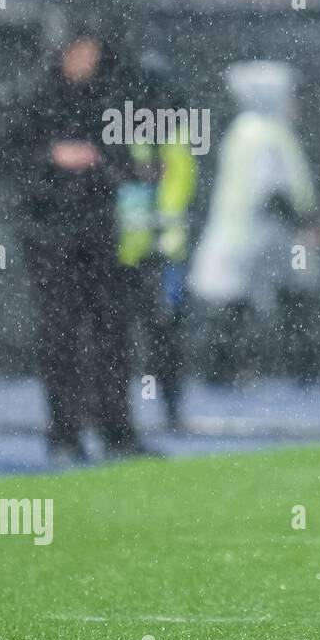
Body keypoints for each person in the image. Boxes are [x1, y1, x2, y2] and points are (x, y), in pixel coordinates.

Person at [0, 19, 152, 464]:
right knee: (60, 334)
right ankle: (64, 436)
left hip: (101, 229)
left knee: (113, 332)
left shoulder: (108, 97)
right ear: (60, 50)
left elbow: (123, 156)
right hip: (48, 235)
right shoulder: (28, 95)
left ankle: (117, 433)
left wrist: (127, 171)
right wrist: (52, 157)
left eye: (93, 50)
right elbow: (4, 158)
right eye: (79, 49)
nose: (87, 59)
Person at [189, 61, 320, 385]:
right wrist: (303, 222)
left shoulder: (250, 130)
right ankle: (233, 373)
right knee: (249, 304)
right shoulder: (261, 133)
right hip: (256, 235)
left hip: (250, 234)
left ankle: (228, 373)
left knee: (239, 305)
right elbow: (272, 189)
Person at [117, 51, 198, 430]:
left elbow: (178, 191)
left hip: (159, 254)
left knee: (163, 337)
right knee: (135, 337)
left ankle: (168, 410)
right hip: (137, 252)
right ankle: (122, 414)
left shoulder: (168, 137)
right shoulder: (126, 136)